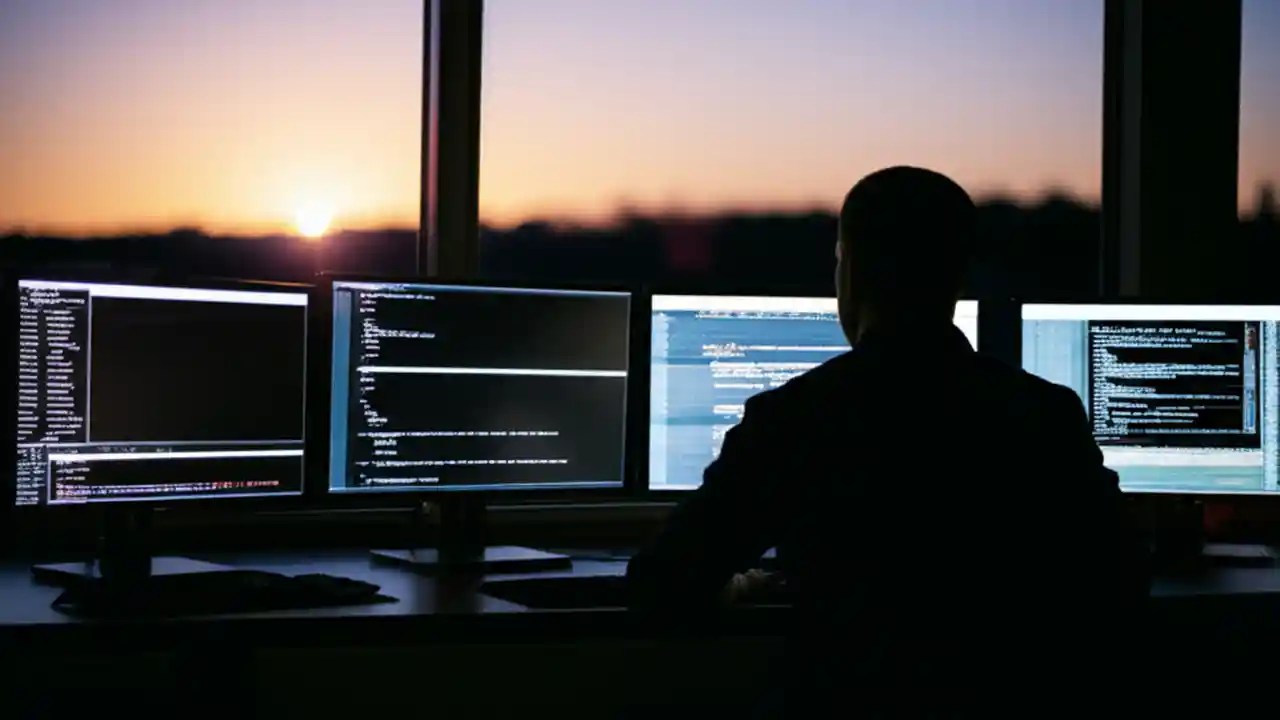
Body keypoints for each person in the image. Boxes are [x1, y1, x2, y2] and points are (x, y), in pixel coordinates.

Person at [627, 166, 1148, 715]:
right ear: (960, 274)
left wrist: (739, 586)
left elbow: (662, 587)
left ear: (849, 268)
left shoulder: (795, 418)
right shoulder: (1047, 413)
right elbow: (1119, 575)